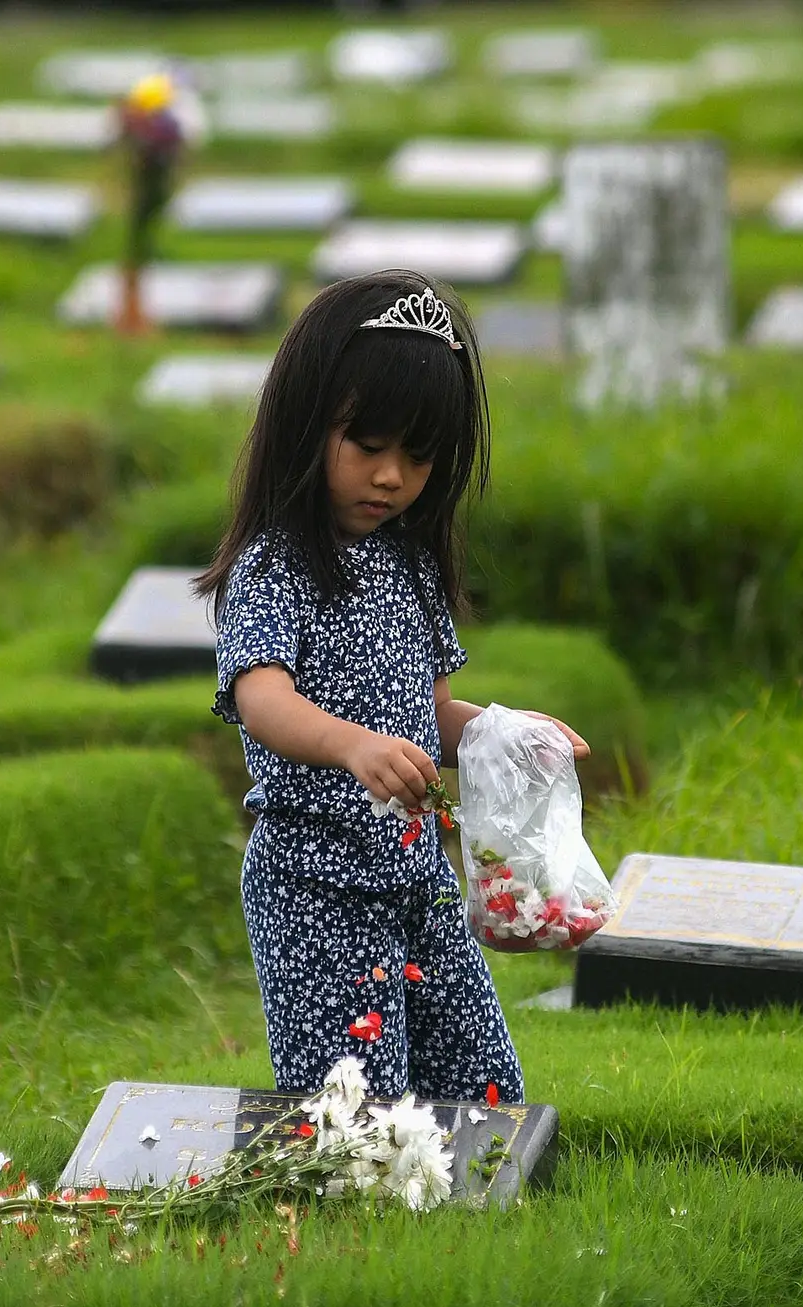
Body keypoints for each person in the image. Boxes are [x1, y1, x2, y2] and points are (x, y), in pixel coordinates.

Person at [196, 271, 590, 1104]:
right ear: (308, 426)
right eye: (367, 446)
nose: (390, 477)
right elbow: (261, 697)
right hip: (317, 884)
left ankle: (476, 1233)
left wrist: (500, 732)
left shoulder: (408, 564)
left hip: (417, 875)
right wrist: (352, 745)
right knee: (360, 1114)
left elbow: (429, 710)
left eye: (417, 455)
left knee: (484, 1093)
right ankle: (355, 1231)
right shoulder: (277, 566)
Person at [115, 74, 185, 335]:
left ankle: (135, 315)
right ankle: (133, 313)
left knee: (139, 247)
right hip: (153, 194)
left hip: (150, 195)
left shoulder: (158, 129)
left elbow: (142, 148)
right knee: (140, 247)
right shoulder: (167, 125)